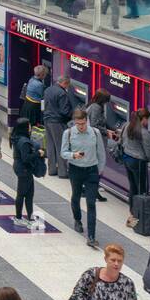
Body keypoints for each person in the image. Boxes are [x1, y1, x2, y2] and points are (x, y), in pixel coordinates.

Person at [61, 107, 107, 250]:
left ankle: (91, 236)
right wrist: (73, 155)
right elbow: (63, 152)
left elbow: (101, 153)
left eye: (83, 123)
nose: (81, 126)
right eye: (78, 124)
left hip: (92, 171)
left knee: (91, 202)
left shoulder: (95, 133)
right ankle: (77, 219)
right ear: (74, 122)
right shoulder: (68, 133)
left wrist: (99, 171)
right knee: (75, 195)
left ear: (87, 121)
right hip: (75, 169)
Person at [119, 108, 150, 227]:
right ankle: (138, 216)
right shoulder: (144, 133)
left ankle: (132, 213)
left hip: (127, 159)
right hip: (138, 162)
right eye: (147, 119)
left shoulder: (127, 125)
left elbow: (122, 140)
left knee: (133, 187)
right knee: (141, 190)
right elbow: (149, 153)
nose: (147, 122)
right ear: (143, 119)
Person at [10, 117, 44, 226]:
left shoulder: (16, 137)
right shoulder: (24, 142)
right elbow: (26, 158)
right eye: (28, 125)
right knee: (22, 194)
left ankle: (30, 218)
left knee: (29, 194)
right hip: (24, 169)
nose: (30, 127)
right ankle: (19, 217)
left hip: (20, 168)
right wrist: (38, 153)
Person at [43, 76, 74, 178]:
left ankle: (52, 170)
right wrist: (74, 113)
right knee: (61, 146)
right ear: (65, 83)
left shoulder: (48, 89)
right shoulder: (62, 93)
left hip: (47, 120)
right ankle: (63, 172)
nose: (67, 87)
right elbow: (65, 111)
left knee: (50, 145)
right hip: (57, 122)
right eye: (67, 85)